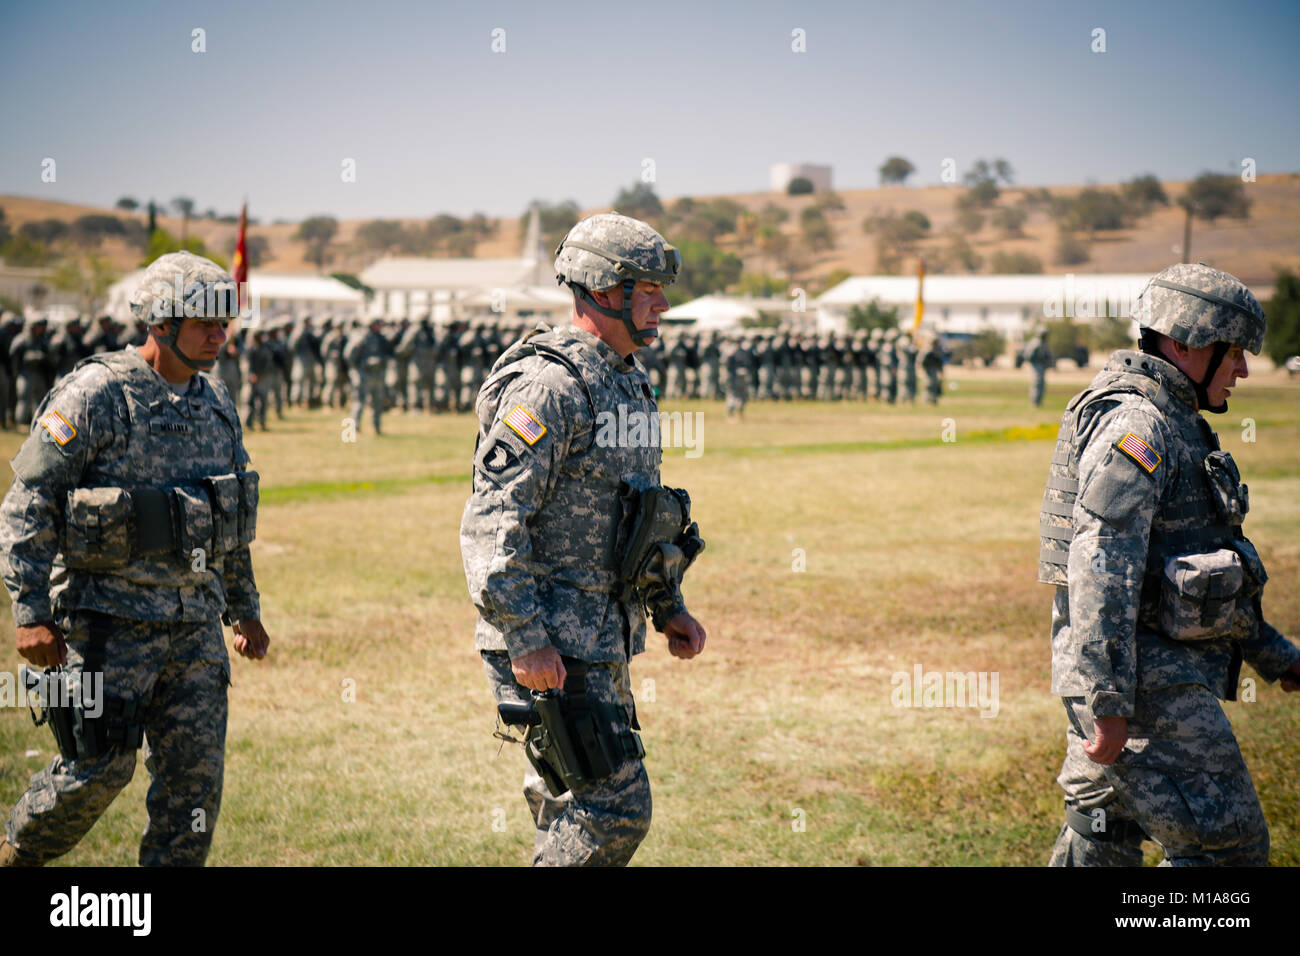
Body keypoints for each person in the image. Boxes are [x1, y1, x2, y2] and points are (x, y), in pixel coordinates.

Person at [0, 252, 269, 867]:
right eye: (204, 323)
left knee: (194, 788)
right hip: (107, 625)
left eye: (224, 323)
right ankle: (15, 854)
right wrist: (30, 613)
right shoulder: (95, 394)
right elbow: (29, 503)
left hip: (194, 630)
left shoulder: (216, 401)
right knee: (96, 770)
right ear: (161, 321)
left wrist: (244, 609)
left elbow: (230, 514)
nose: (219, 336)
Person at [461, 212, 707, 867]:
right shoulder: (550, 386)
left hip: (597, 638)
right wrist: (525, 636)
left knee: (564, 807)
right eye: (647, 289)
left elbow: (640, 516)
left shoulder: (626, 379)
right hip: (551, 642)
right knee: (616, 812)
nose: (661, 304)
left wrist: (667, 606)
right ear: (601, 288)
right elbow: (492, 519)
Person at [1040, 263, 1300, 867]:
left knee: (1103, 831)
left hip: (1134, 677)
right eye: (1232, 351)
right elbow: (1100, 568)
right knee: (1227, 848)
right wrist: (1109, 701)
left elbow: (1202, 569)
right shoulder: (1138, 426)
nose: (1243, 369)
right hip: (1142, 685)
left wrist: (1276, 657)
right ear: (1185, 344)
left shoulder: (1177, 421)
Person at [1023, 328, 1054, 407]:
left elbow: (1047, 355)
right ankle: (1034, 402)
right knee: (1037, 382)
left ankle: (1039, 401)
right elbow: (1028, 355)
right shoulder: (1035, 343)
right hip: (1036, 365)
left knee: (1041, 384)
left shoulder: (1043, 343)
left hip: (1042, 366)